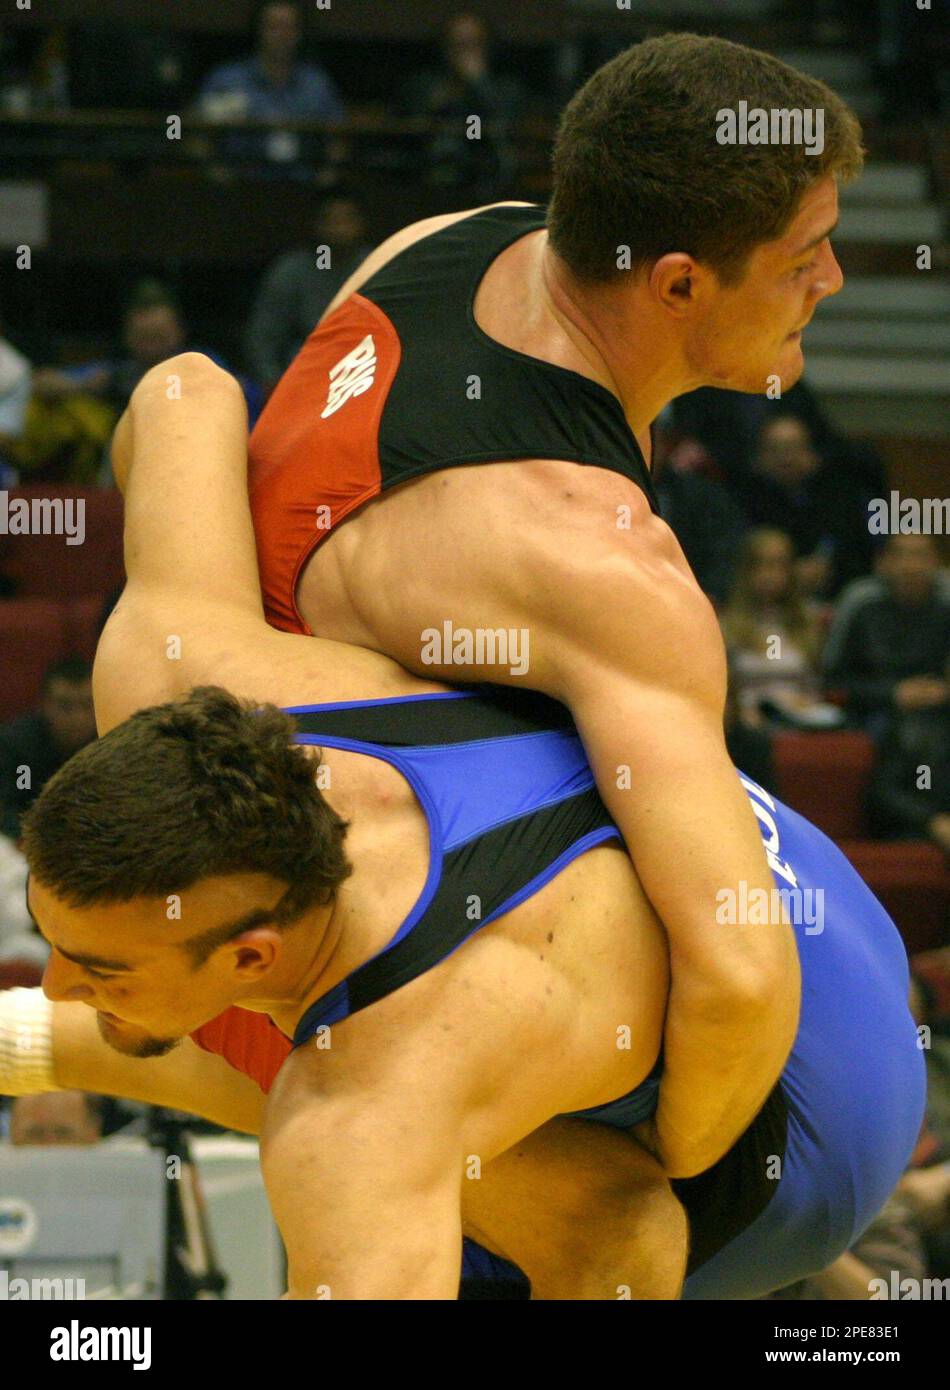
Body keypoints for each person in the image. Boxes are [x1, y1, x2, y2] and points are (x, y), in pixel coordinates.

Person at [3, 352, 925, 1301]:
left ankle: (817, 1285)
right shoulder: (185, 676)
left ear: (251, 956)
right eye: (59, 946)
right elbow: (182, 391)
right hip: (804, 897)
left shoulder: (379, 1100)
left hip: (794, 1151)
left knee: (336, 1105)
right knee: (277, 1062)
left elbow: (622, 1239)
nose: (58, 980)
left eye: (96, 966)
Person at [247, 32, 866, 1180]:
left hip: (280, 840)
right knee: (629, 1227)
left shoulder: (445, 240)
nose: (829, 283)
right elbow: (737, 977)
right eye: (805, 255)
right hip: (328, 996)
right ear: (676, 282)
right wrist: (684, 1179)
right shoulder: (595, 563)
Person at [198, 0, 344, 183]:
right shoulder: (227, 81)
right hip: (238, 191)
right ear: (258, 30)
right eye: (274, 27)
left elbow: (338, 140)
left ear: (300, 33)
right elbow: (199, 139)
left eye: (290, 27)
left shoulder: (317, 84)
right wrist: (217, 176)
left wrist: (326, 177)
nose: (282, 35)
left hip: (304, 192)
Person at [243, 196, 373, 397]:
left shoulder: (377, 265)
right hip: (305, 371)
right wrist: (272, 382)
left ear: (361, 224)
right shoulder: (297, 269)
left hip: (365, 367)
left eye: (346, 220)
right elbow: (263, 336)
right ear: (317, 225)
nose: (339, 229)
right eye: (331, 221)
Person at [822, 534, 950, 735]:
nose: (910, 566)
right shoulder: (860, 601)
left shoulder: (946, 601)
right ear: (882, 562)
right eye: (900, 555)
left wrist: (942, 691)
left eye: (920, 555)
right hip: (873, 712)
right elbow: (832, 681)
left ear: (937, 562)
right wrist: (892, 693)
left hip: (939, 711)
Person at [719, 528, 842, 731]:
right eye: (762, 565)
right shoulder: (726, 626)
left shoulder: (810, 622)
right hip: (748, 723)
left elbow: (820, 682)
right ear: (746, 571)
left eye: (779, 566)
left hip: (803, 718)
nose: (770, 575)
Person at [0, 657, 96, 841]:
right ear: (44, 705)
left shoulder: (109, 741)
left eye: (86, 705)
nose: (77, 718)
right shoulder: (18, 748)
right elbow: (10, 807)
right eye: (65, 706)